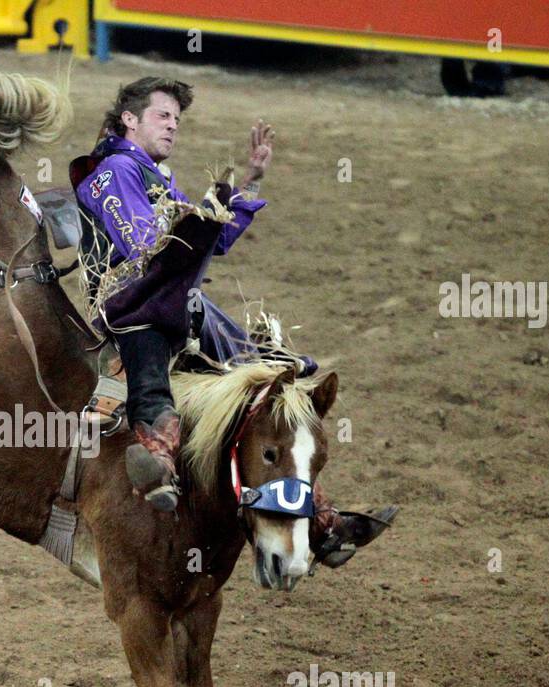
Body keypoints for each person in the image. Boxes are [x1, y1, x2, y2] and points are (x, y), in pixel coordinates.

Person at [70, 76, 395, 568]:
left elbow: (208, 240)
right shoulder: (115, 170)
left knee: (266, 383)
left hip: (174, 300)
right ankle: (157, 454)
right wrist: (198, 221)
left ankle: (318, 516)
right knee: (153, 346)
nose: (173, 126)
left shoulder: (153, 174)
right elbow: (144, 243)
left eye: (178, 119)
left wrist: (249, 183)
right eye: (163, 116)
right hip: (130, 301)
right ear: (130, 120)